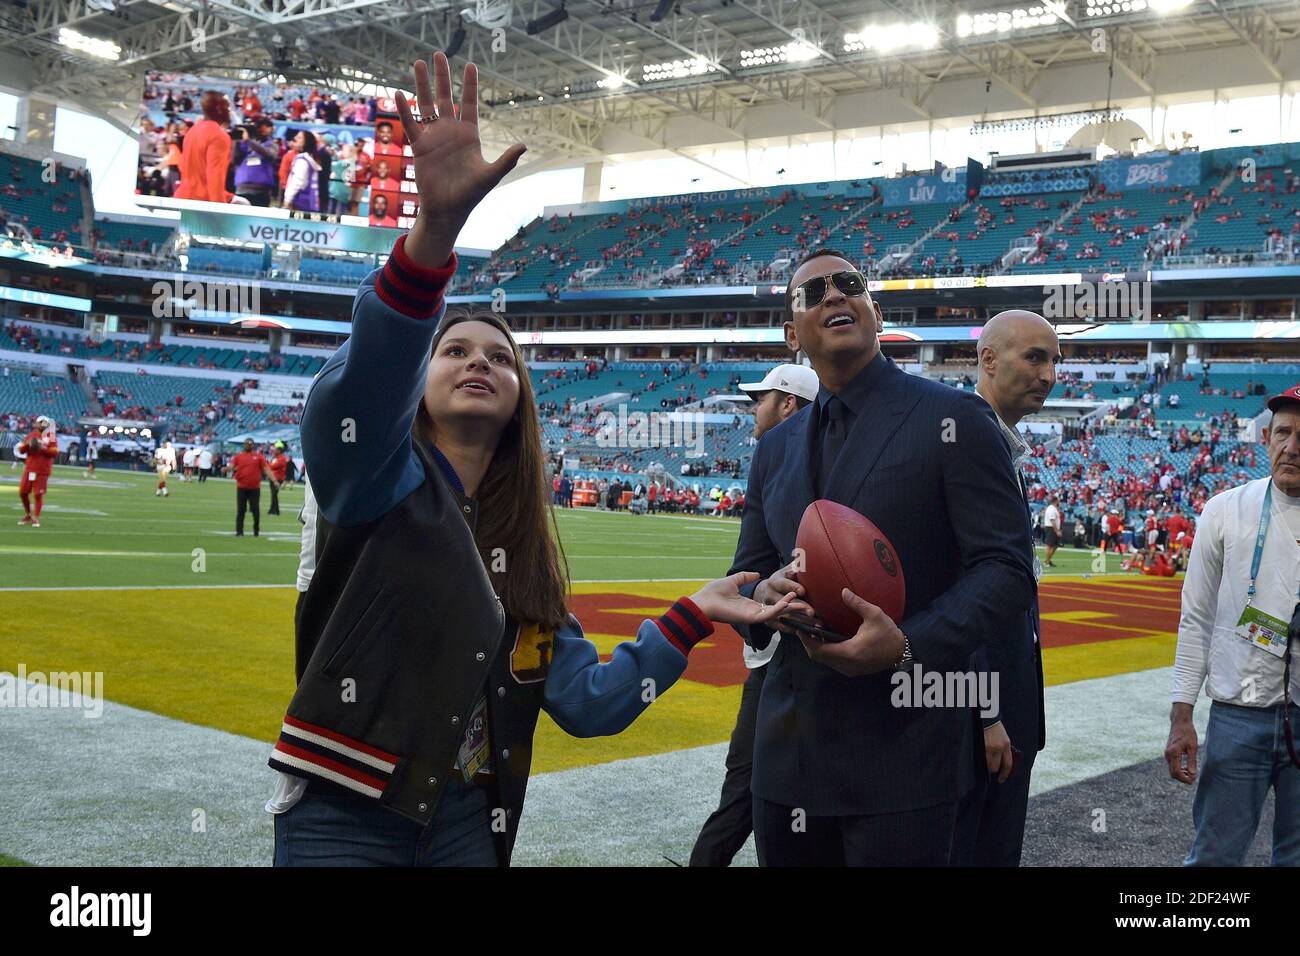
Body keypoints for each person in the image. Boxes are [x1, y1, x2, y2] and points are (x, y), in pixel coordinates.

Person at [264, 55, 796, 867]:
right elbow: (353, 399)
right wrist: (432, 238)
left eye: (501, 359)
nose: (480, 363)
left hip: (473, 820)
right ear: (420, 378)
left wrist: (694, 615)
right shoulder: (371, 480)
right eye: (456, 351)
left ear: (521, 402)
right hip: (345, 807)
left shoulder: (522, 553)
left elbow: (589, 706)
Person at [729, 247, 1035, 866]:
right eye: (815, 293)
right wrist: (763, 598)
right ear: (792, 333)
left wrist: (907, 646)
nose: (836, 296)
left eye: (850, 285)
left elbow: (1006, 570)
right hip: (788, 750)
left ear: (873, 308)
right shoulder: (776, 448)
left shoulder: (953, 417)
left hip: (906, 752)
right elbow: (748, 577)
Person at [1167, 384, 1300, 866]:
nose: (1293, 446)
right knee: (1215, 857)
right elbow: (1196, 617)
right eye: (1283, 433)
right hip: (1238, 715)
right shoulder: (1225, 510)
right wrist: (1182, 715)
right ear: (1266, 439)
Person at [691, 361, 817, 867]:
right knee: (749, 789)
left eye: (760, 399)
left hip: (832, 661)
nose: (754, 409)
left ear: (788, 403)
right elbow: (747, 569)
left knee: (759, 792)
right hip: (776, 658)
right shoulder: (767, 458)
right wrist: (763, 597)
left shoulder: (834, 454)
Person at [956, 309, 1059, 867]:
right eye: (1034, 358)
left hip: (1006, 707)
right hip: (982, 715)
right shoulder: (969, 437)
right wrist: (987, 712)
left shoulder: (999, 441)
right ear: (988, 359)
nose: (1047, 375)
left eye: (1054, 362)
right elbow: (964, 591)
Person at [174, 91, 233, 204]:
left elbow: (184, 167)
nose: (230, 111)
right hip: (202, 202)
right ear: (219, 109)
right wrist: (221, 211)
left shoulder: (192, 131)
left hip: (182, 197)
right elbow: (214, 177)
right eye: (228, 107)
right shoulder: (219, 135)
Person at [227, 438, 274, 536]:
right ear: (244, 445)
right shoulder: (238, 456)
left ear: (253, 445)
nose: (249, 446)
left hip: (254, 488)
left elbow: (266, 469)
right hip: (242, 486)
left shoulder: (259, 457)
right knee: (241, 510)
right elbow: (232, 466)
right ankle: (239, 531)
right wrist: (226, 469)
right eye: (247, 444)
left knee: (255, 510)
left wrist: (274, 480)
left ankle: (256, 530)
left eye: (251, 444)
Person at [16, 416, 57, 528]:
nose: (43, 425)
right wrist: (28, 445)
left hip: (43, 470)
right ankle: (28, 514)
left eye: (45, 423)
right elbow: (21, 450)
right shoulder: (31, 435)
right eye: (41, 423)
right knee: (23, 492)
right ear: (37, 423)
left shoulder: (51, 436)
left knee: (38, 494)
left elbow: (54, 452)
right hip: (30, 469)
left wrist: (42, 448)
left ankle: (36, 517)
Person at [232, 117, 280, 207]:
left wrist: (249, 141)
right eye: (261, 127)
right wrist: (237, 142)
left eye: (267, 127)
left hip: (261, 191)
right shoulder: (244, 145)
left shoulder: (272, 145)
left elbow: (270, 155)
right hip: (242, 188)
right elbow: (235, 160)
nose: (263, 130)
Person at [283, 130, 323, 212]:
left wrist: (287, 199)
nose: (295, 139)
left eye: (299, 137)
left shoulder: (302, 160)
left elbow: (297, 181)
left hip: (299, 201)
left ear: (306, 142)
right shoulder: (310, 158)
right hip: (310, 201)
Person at [268, 441, 290, 515]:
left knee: (274, 495)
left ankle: (274, 511)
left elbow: (273, 466)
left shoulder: (282, 458)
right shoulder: (276, 458)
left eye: (276, 450)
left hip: (278, 478)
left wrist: (269, 464)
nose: (274, 451)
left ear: (279, 451)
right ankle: (274, 510)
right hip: (273, 478)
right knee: (273, 495)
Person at [1041, 495, 1062, 567]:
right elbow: (1052, 520)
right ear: (1055, 501)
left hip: (1053, 528)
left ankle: (1048, 560)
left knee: (1055, 545)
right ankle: (1046, 561)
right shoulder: (1051, 509)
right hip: (1051, 528)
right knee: (1050, 545)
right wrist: (1057, 531)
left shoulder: (1054, 508)